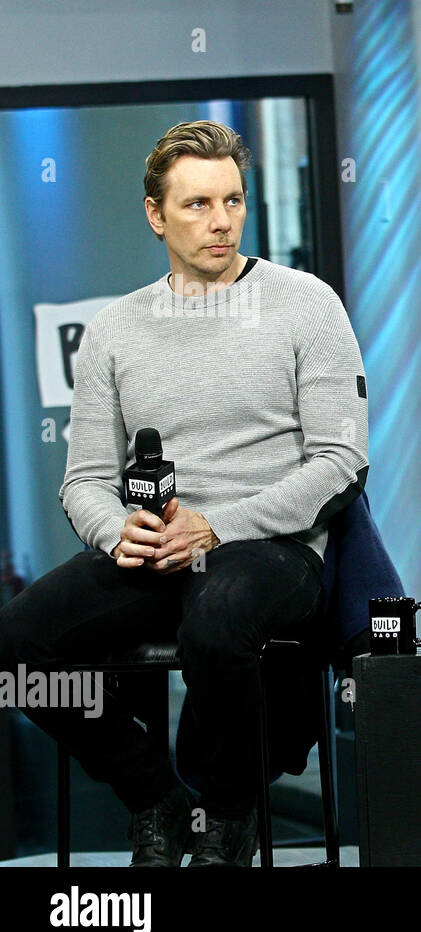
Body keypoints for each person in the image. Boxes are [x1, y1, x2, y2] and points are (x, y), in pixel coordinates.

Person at [0, 121, 369, 866]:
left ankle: (228, 819)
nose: (222, 220)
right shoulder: (114, 332)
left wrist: (216, 525)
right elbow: (85, 479)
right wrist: (116, 531)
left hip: (272, 546)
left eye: (233, 200)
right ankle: (156, 798)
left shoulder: (306, 303)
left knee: (218, 618)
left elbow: (341, 460)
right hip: (156, 549)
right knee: (16, 648)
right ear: (156, 215)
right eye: (198, 204)